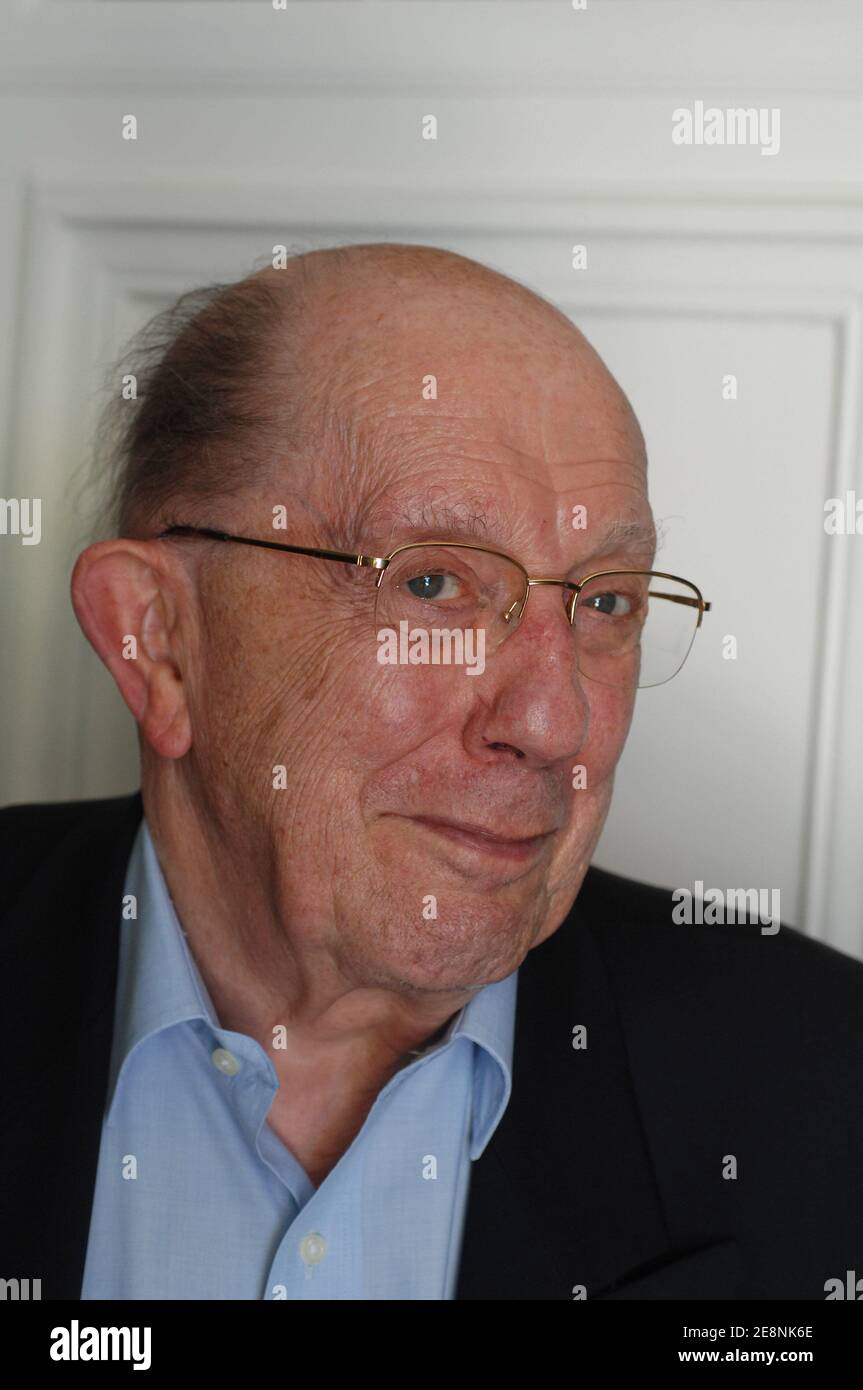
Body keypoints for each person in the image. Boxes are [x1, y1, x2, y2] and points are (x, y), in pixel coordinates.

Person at [1, 243, 861, 1300]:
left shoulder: (820, 1078)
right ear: (159, 640)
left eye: (604, 602)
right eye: (432, 581)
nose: (553, 720)